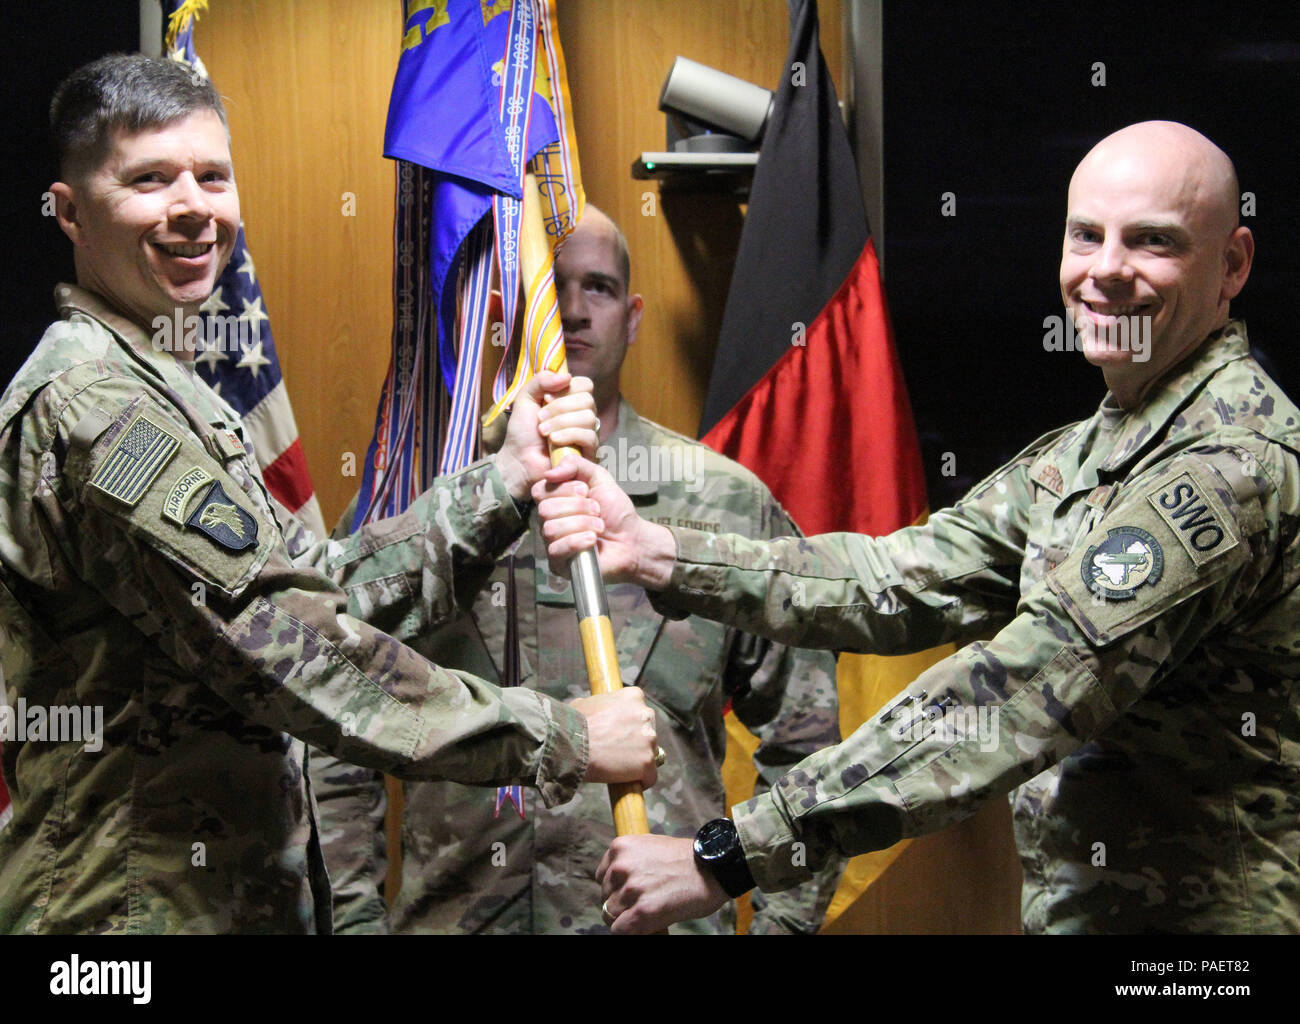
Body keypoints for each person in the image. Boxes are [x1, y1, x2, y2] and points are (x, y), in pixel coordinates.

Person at [537, 121, 1300, 934]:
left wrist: (729, 853)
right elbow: (899, 577)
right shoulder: (1098, 446)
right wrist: (663, 553)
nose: (1106, 271)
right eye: (1087, 235)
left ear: (1233, 264)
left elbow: (1017, 694)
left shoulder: (1226, 469)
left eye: (1153, 242)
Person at [0, 54, 658, 935]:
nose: (192, 206)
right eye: (149, 180)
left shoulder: (162, 383)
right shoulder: (99, 407)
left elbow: (319, 590)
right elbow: (291, 652)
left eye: (212, 175)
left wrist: (507, 477)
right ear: (71, 211)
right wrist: (565, 736)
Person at [310, 207, 844, 934]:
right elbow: (331, 718)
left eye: (599, 286)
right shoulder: (419, 506)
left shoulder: (724, 506)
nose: (572, 309)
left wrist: (781, 928)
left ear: (633, 316)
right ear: (507, 312)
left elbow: (806, 739)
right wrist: (352, 924)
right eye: (550, 286)